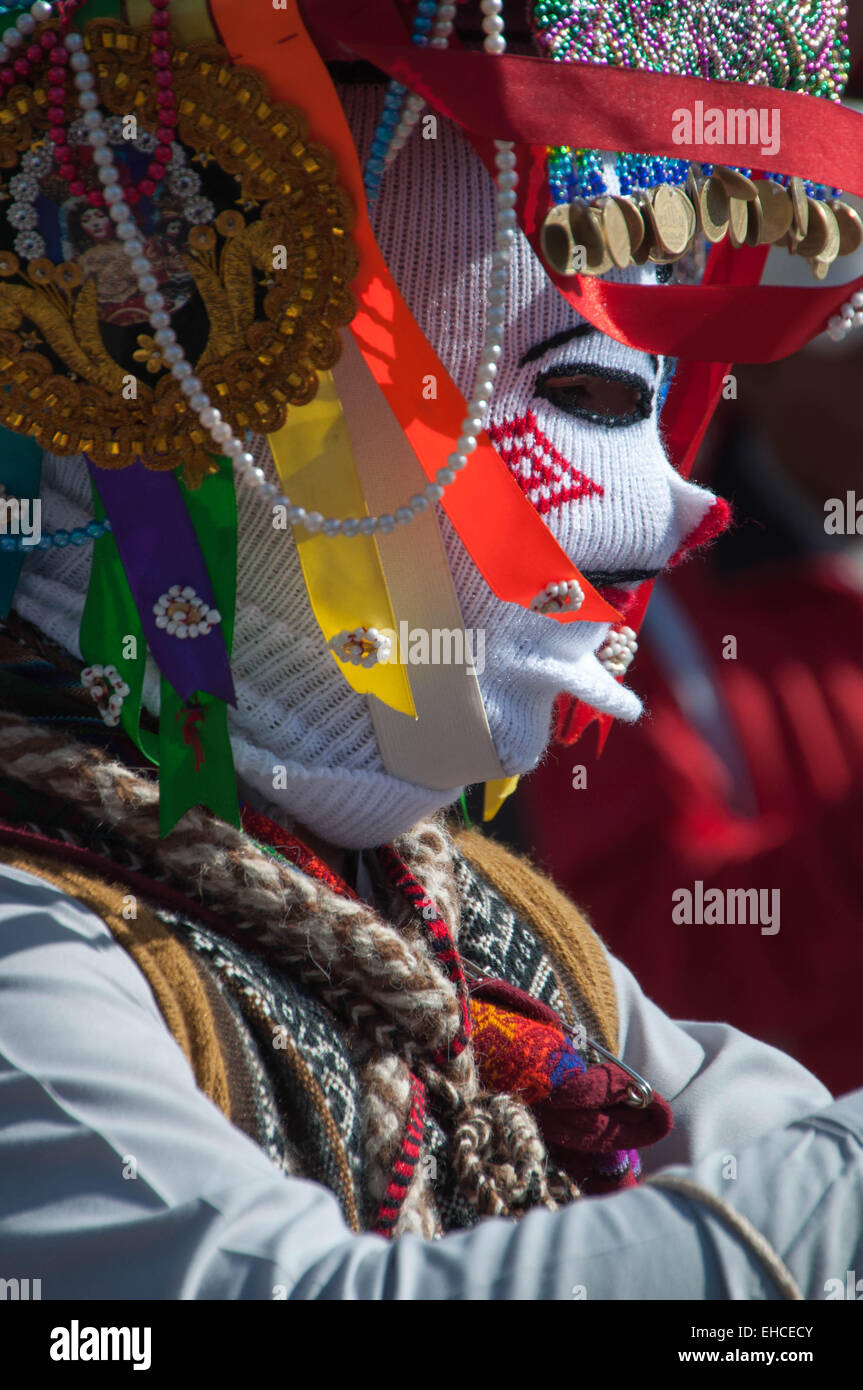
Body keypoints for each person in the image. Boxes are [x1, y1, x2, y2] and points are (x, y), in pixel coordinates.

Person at [0, 0, 861, 1301]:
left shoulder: (496, 934)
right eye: (578, 396)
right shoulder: (30, 952)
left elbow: (793, 1185)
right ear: (171, 329)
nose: (664, 524)